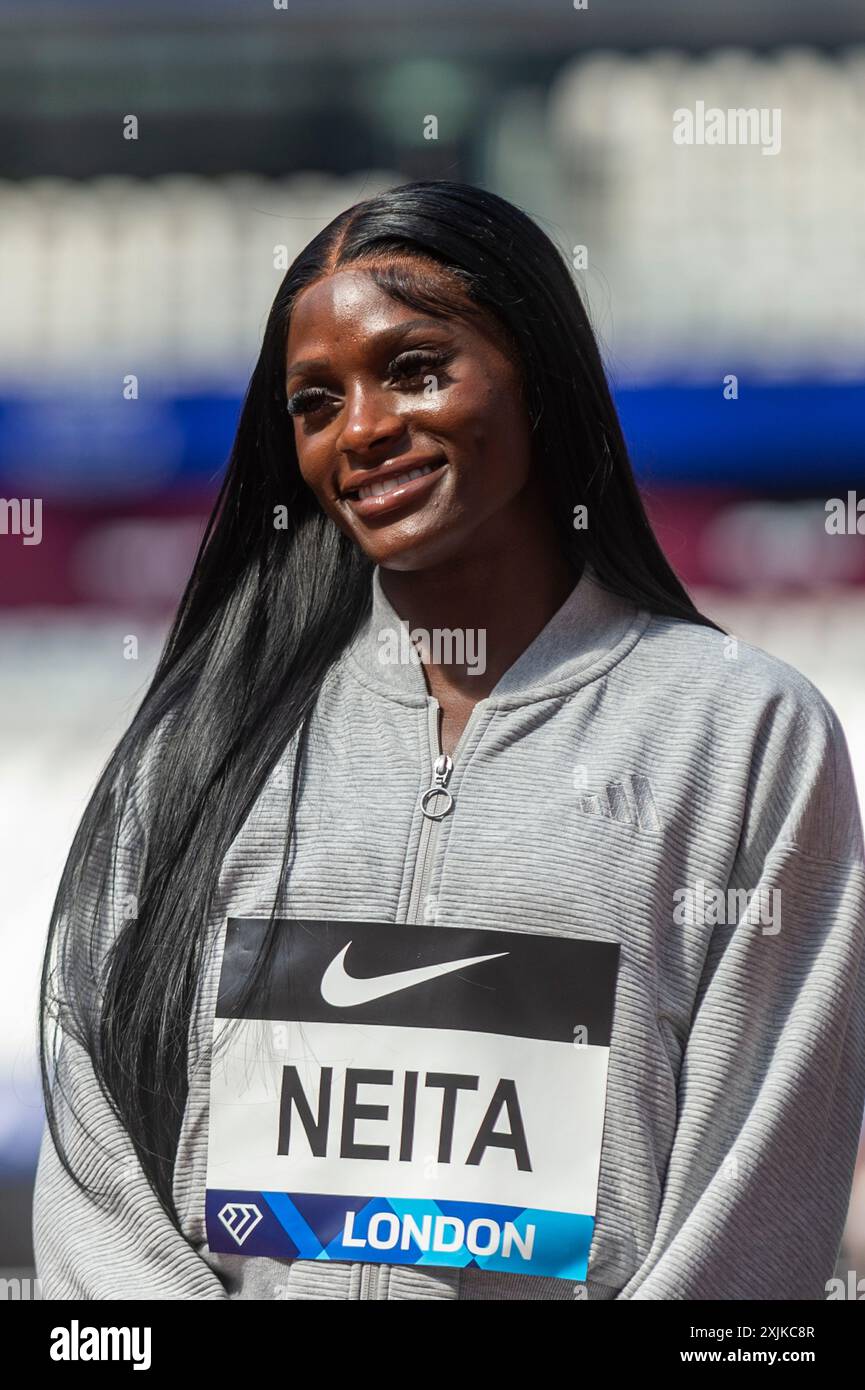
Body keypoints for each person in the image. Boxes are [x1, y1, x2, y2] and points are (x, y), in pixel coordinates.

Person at [34, 180, 865, 1300]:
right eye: (317, 401)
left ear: (540, 382)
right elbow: (98, 1188)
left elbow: (755, 1206)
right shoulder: (190, 753)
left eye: (417, 369)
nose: (365, 428)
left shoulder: (740, 738)